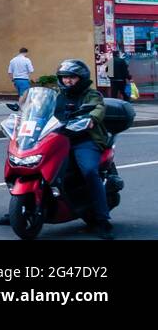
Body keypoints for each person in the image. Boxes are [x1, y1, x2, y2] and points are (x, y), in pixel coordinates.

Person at [54, 58, 113, 239]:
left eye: (72, 77)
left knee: (89, 171)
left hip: (85, 140)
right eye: (64, 77)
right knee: (34, 164)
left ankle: (103, 220)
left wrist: (91, 119)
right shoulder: (59, 95)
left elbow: (98, 108)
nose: (68, 81)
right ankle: (19, 209)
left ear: (81, 78)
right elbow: (44, 110)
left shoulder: (91, 94)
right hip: (59, 138)